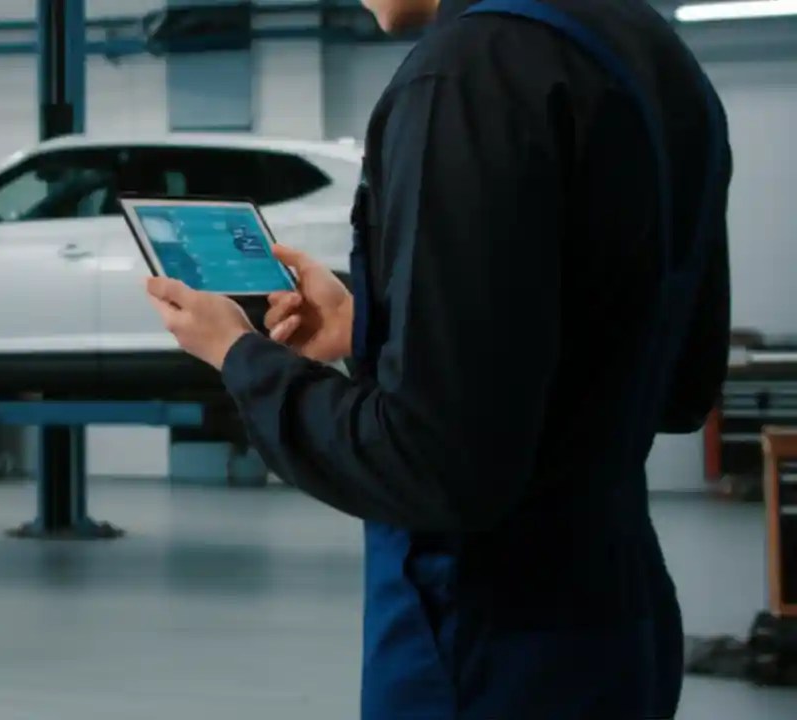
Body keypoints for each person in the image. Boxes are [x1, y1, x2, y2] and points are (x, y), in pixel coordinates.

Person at [145, 0, 732, 717]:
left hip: (486, 645)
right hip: (620, 629)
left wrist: (239, 356)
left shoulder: (464, 76)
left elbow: (430, 463)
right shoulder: (654, 56)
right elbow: (679, 385)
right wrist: (373, 325)